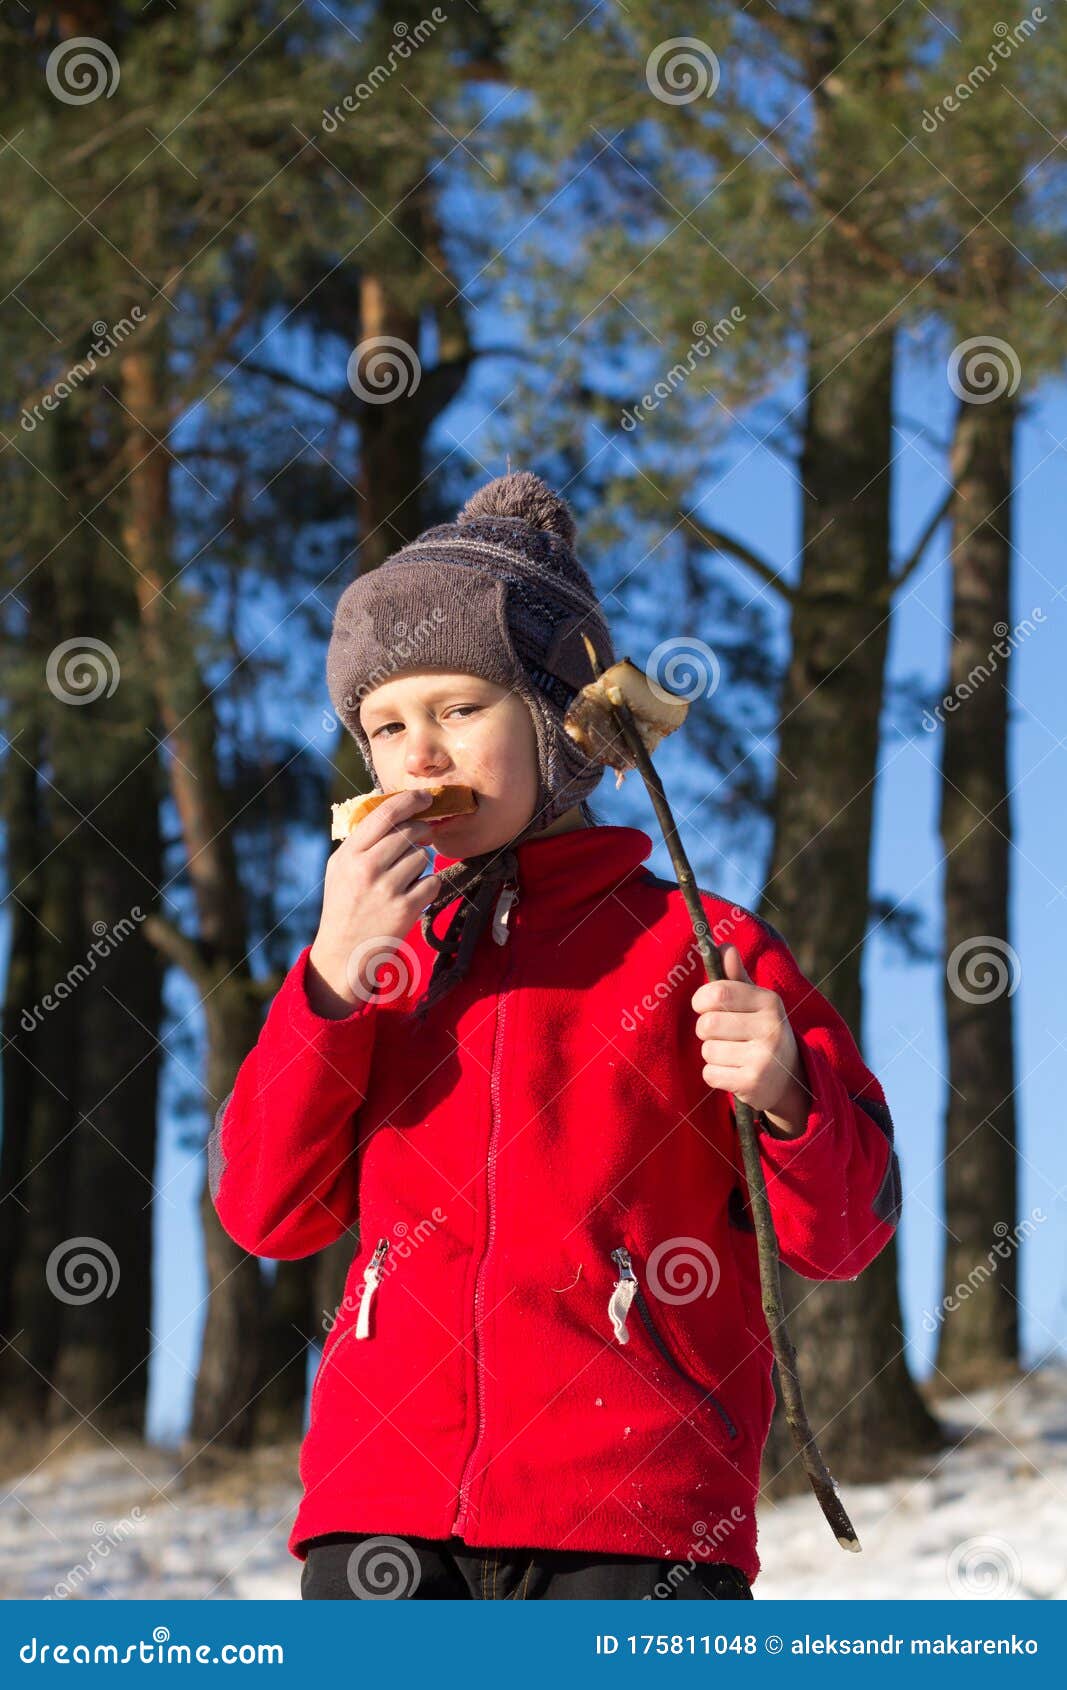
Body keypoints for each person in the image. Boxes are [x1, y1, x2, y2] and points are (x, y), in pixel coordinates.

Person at [208, 471, 902, 1600]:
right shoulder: (372, 964)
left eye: (460, 710)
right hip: (380, 1513)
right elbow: (264, 1214)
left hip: (633, 1517)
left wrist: (787, 1093)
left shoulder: (696, 943)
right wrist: (329, 987)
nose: (419, 754)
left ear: (559, 727)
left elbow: (846, 1230)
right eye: (385, 726)